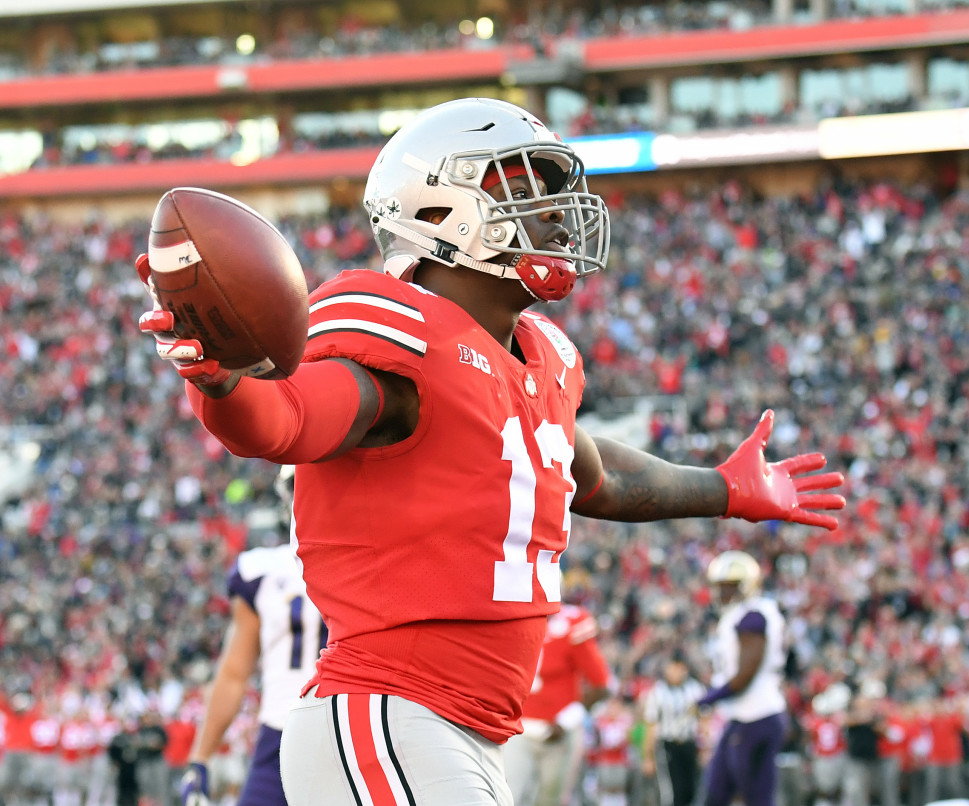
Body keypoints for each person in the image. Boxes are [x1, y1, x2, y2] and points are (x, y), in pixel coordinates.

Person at [135, 96, 845, 804]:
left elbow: (594, 475)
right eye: (524, 188)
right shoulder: (403, 345)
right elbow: (287, 417)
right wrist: (224, 384)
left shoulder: (538, 361)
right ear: (443, 212)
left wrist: (722, 488)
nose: (557, 213)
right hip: (387, 712)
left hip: (461, 734)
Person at [180, 467, 326, 806]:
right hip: (281, 730)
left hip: (357, 727)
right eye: (297, 486)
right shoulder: (263, 570)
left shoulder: (373, 556)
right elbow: (233, 674)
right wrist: (199, 758)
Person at [697, 550, 789, 806]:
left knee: (756, 796)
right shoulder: (744, 614)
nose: (721, 593)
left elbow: (745, 674)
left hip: (758, 715)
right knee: (716, 791)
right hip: (742, 716)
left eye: (727, 587)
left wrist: (707, 698)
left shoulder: (753, 616)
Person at [502, 601, 610, 806]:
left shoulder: (571, 623)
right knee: (508, 796)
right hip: (515, 729)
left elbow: (601, 685)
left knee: (550, 800)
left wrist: (567, 720)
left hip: (557, 730)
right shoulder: (511, 615)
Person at [641, 653, 705, 806]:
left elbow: (704, 720)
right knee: (671, 792)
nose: (676, 672)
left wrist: (705, 747)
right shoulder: (658, 692)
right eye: (673, 668)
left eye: (679, 668)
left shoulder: (695, 689)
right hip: (668, 745)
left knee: (690, 790)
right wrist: (648, 756)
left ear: (685, 669)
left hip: (689, 744)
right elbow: (651, 725)